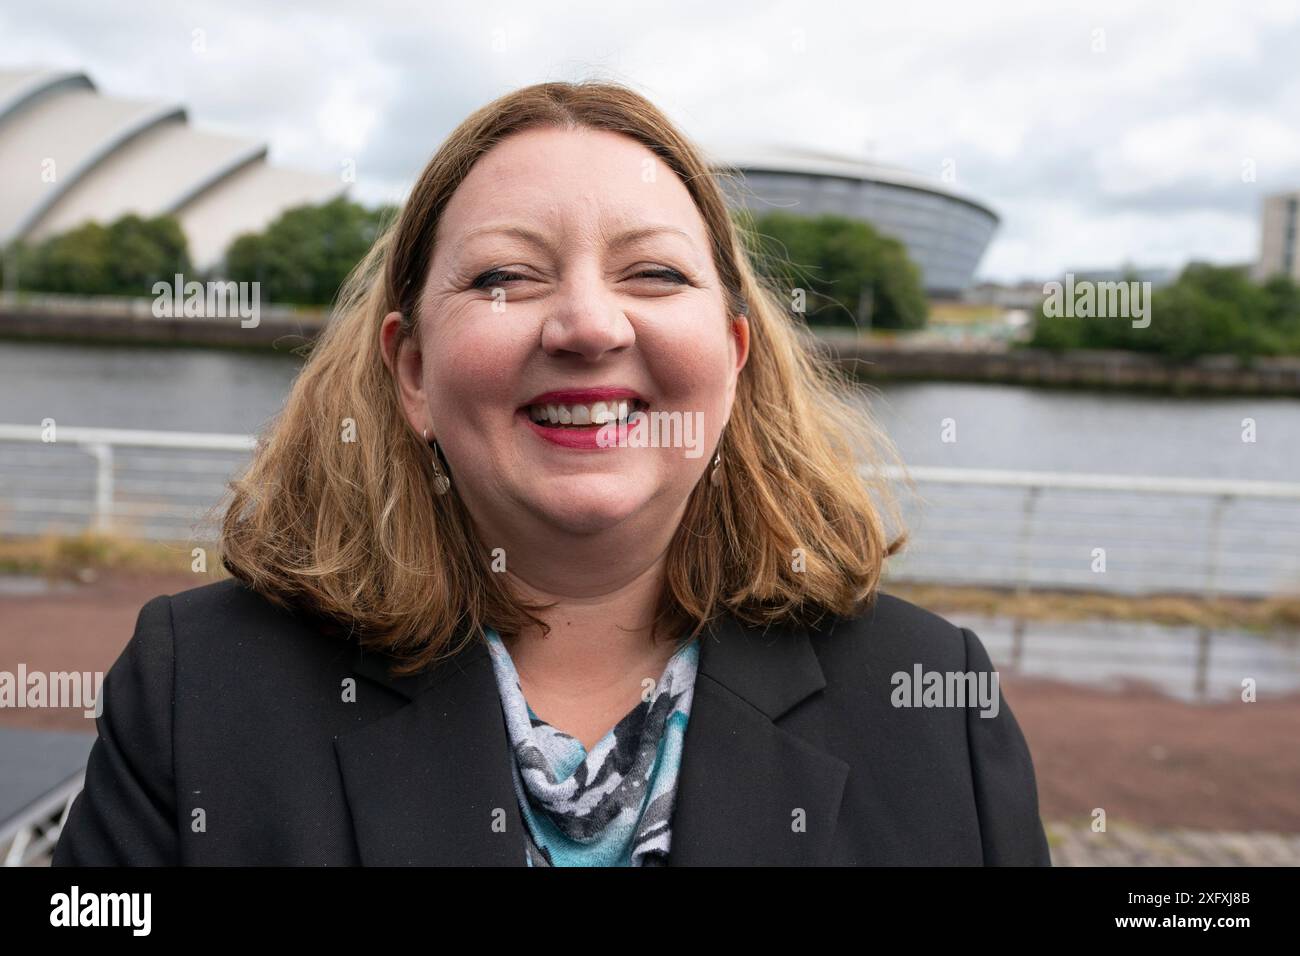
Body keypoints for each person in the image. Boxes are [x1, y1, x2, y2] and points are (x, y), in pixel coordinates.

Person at [52, 80, 1050, 866]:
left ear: (734, 358)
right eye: (503, 276)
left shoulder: (934, 704)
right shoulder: (201, 690)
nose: (586, 324)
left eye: (653, 273)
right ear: (411, 372)